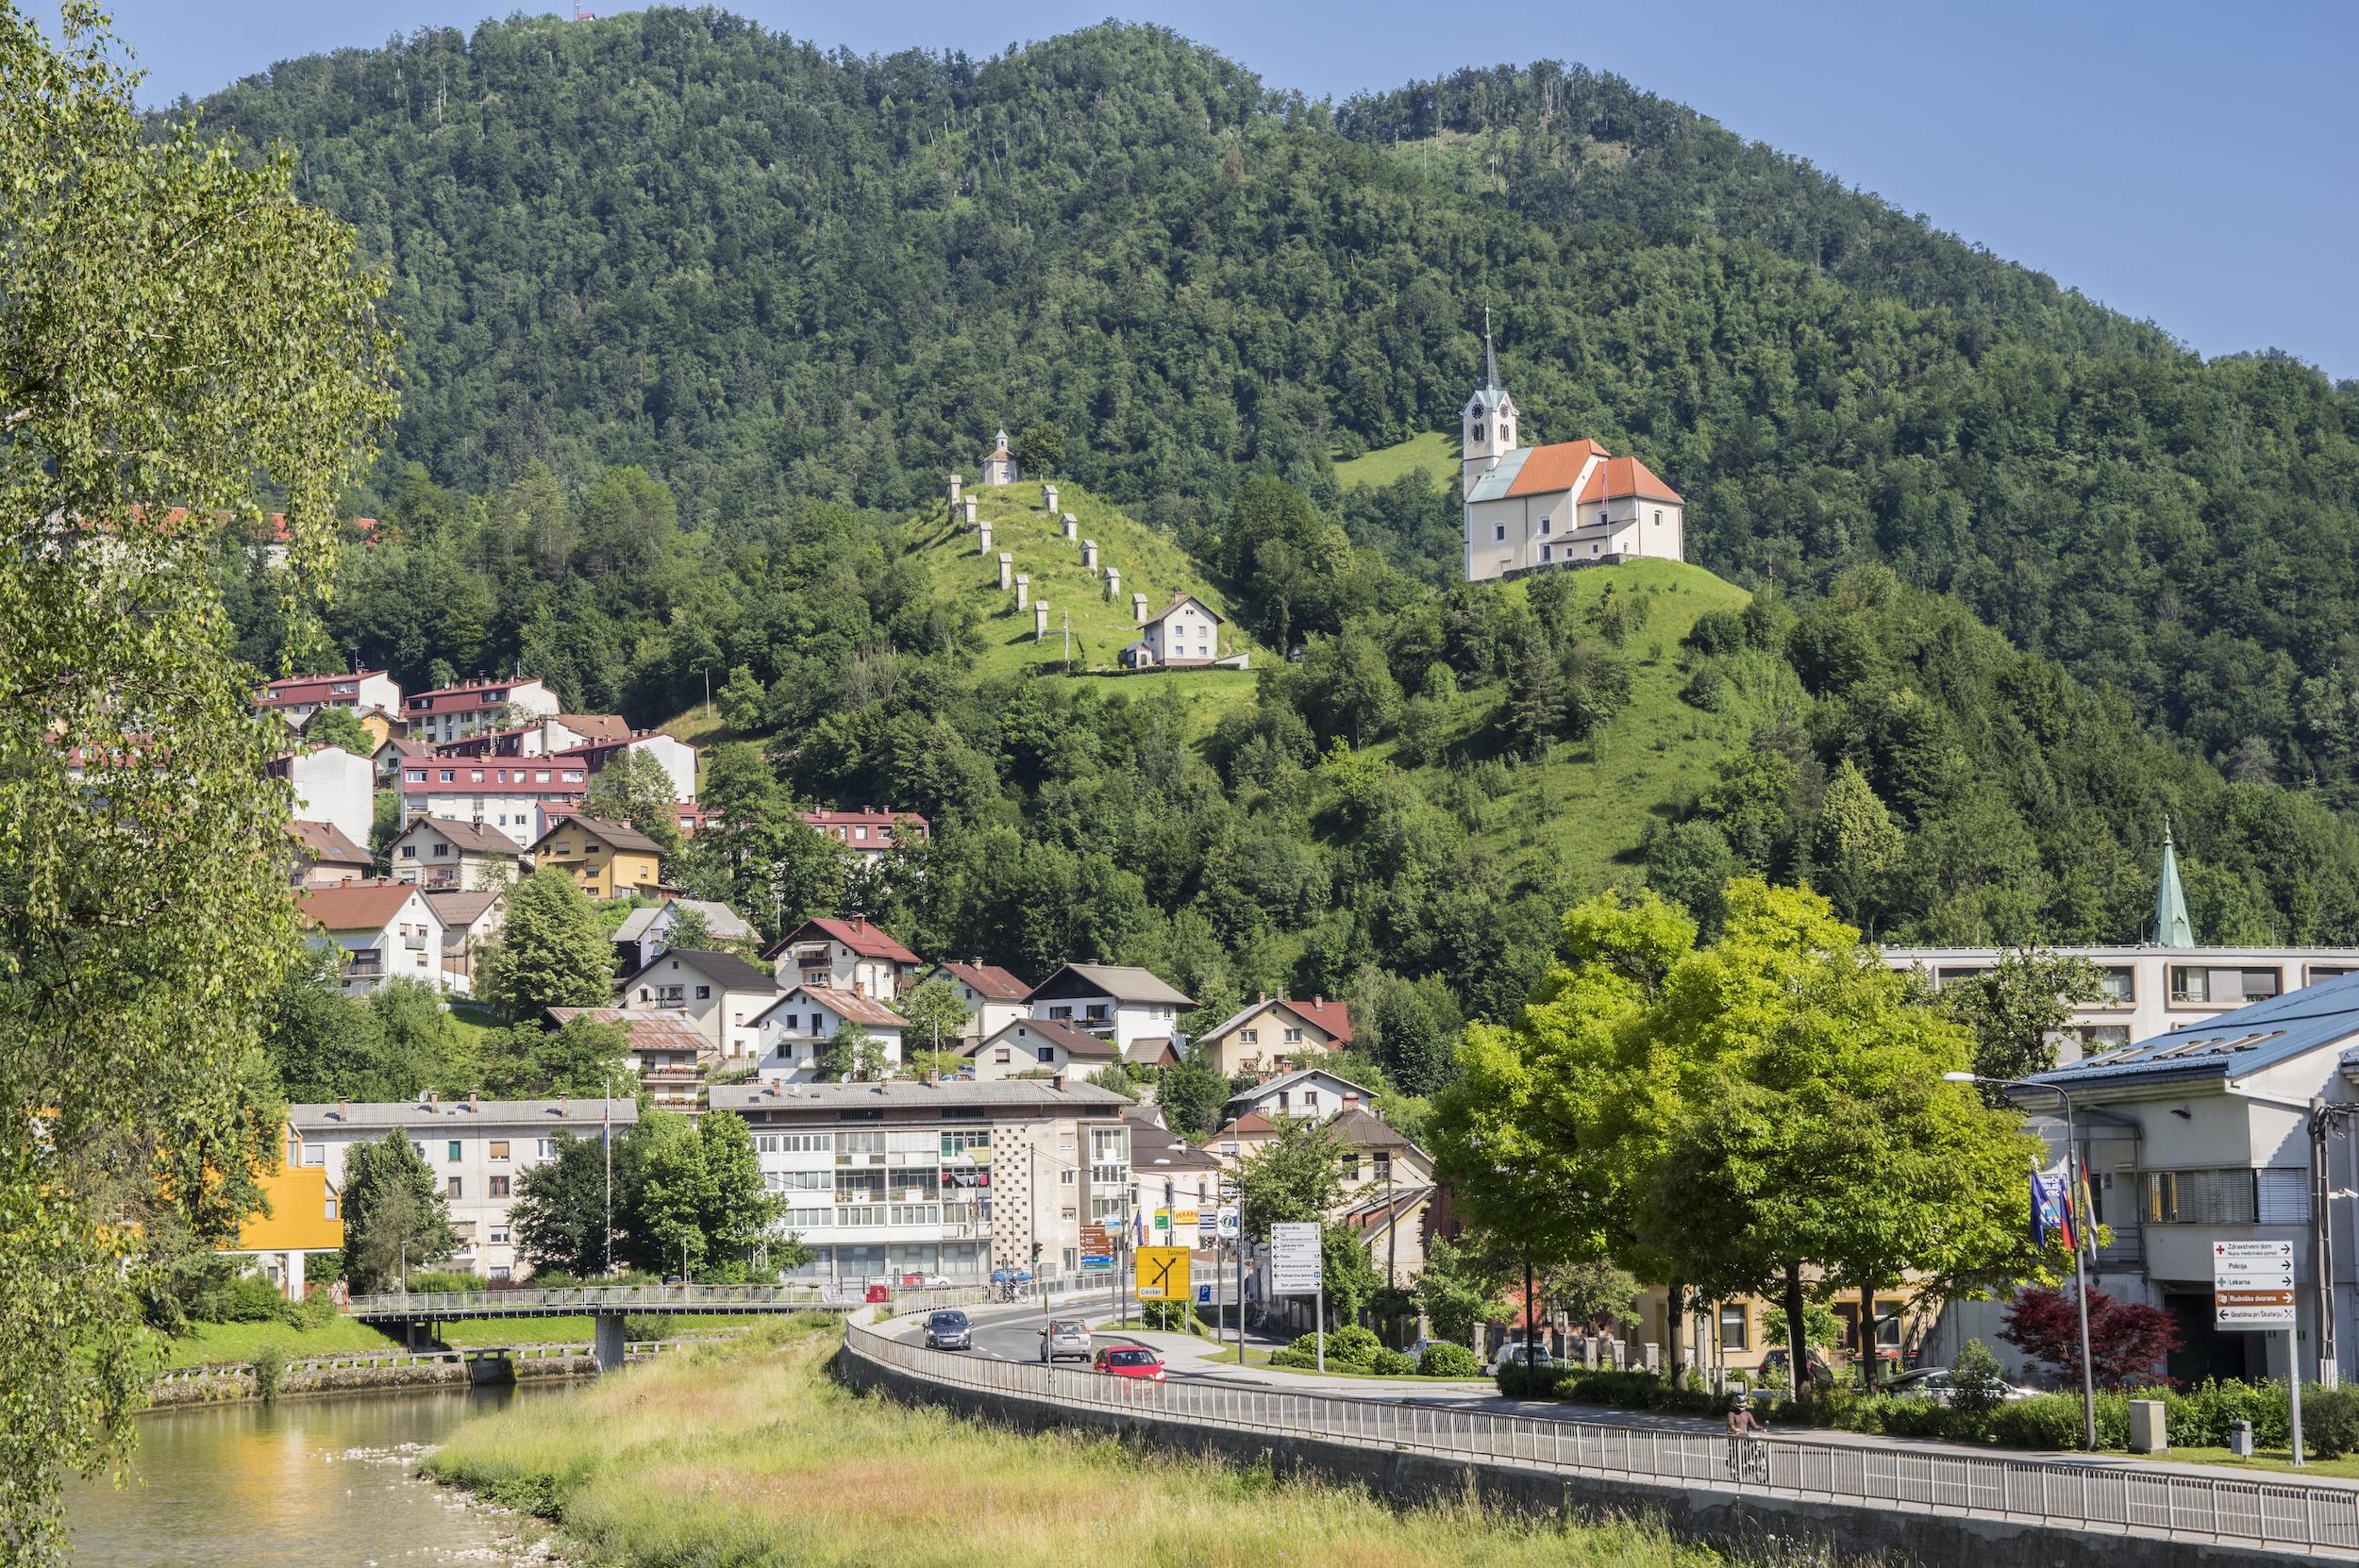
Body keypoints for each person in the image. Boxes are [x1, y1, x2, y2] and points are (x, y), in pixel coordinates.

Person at [1725, 1390, 1769, 1477]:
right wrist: (1736, 1430)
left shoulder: (1748, 1414)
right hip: (1735, 1436)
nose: (1742, 1404)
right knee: (1740, 1450)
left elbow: (1754, 1425)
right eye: (1740, 1402)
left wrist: (1762, 1429)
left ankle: (1754, 1461)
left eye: (1744, 1402)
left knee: (1755, 1445)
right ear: (1735, 1402)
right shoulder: (1731, 1414)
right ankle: (1738, 1464)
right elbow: (1731, 1424)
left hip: (1745, 1436)